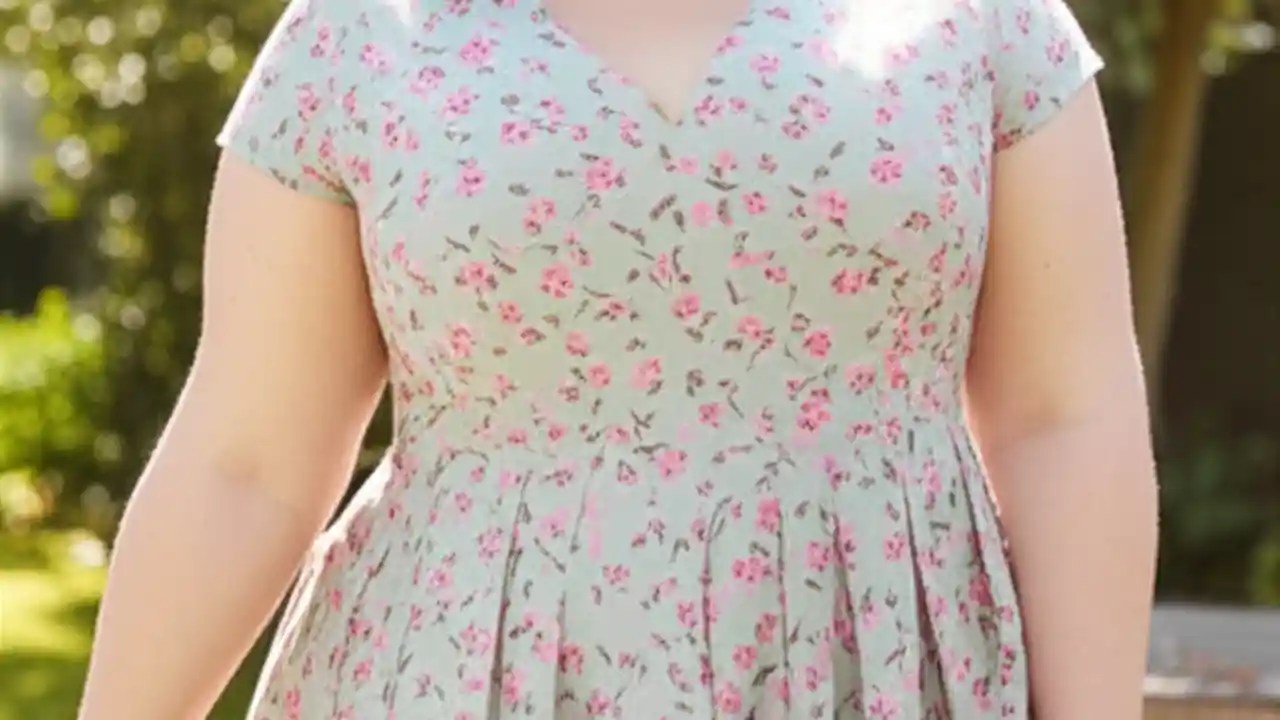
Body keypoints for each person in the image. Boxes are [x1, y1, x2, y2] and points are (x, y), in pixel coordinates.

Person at [78, 0, 1159, 716]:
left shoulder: (982, 16)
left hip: (873, 671)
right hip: (458, 678)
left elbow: (1063, 411)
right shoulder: (357, 31)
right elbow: (245, 461)